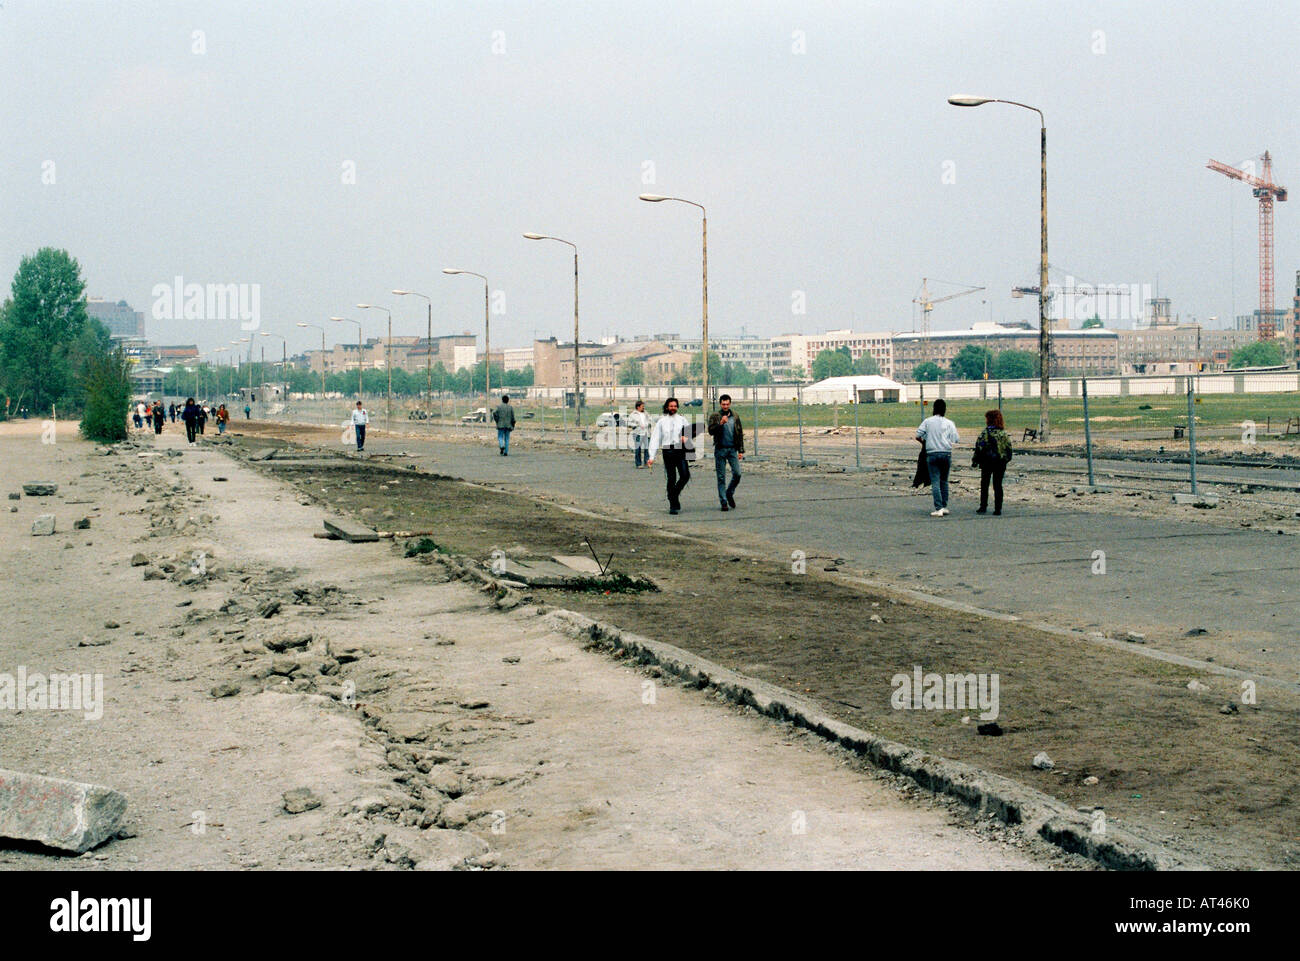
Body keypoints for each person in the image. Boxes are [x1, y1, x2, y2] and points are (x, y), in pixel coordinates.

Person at [647, 397, 691, 515]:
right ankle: (673, 504)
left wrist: (686, 437)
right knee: (671, 478)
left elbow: (690, 433)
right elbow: (655, 439)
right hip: (668, 451)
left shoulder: (682, 420)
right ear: (667, 407)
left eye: (675, 406)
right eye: (671, 406)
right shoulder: (661, 422)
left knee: (685, 475)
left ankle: (673, 494)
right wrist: (651, 456)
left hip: (680, 450)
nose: (673, 408)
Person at [916, 398, 959, 517]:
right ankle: (944, 506)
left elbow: (918, 435)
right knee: (944, 481)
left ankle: (938, 507)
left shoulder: (928, 421)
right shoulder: (949, 423)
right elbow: (955, 439)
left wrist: (925, 442)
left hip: (932, 453)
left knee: (935, 481)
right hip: (946, 453)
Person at [707, 393, 745, 511]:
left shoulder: (735, 416)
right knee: (721, 477)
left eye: (727, 404)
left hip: (732, 449)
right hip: (720, 449)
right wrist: (720, 423)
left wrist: (740, 450)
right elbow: (711, 431)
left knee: (737, 473)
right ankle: (723, 501)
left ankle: (729, 492)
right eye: (723, 404)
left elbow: (739, 433)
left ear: (730, 403)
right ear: (720, 404)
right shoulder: (715, 416)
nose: (725, 406)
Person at [972, 408, 1013, 515]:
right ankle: (998, 508)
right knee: (998, 485)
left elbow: (979, 447)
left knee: (984, 484)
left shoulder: (985, 433)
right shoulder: (1003, 434)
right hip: (1000, 462)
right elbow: (1009, 449)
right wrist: (1005, 460)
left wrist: (975, 460)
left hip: (986, 462)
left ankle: (983, 506)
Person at [628, 400, 651, 469]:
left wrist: (648, 423)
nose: (643, 408)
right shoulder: (633, 414)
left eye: (644, 406)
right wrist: (636, 425)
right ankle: (638, 464)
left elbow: (650, 420)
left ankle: (647, 462)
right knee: (638, 448)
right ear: (638, 407)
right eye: (642, 407)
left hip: (646, 433)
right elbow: (629, 423)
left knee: (647, 448)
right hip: (638, 433)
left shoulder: (646, 413)